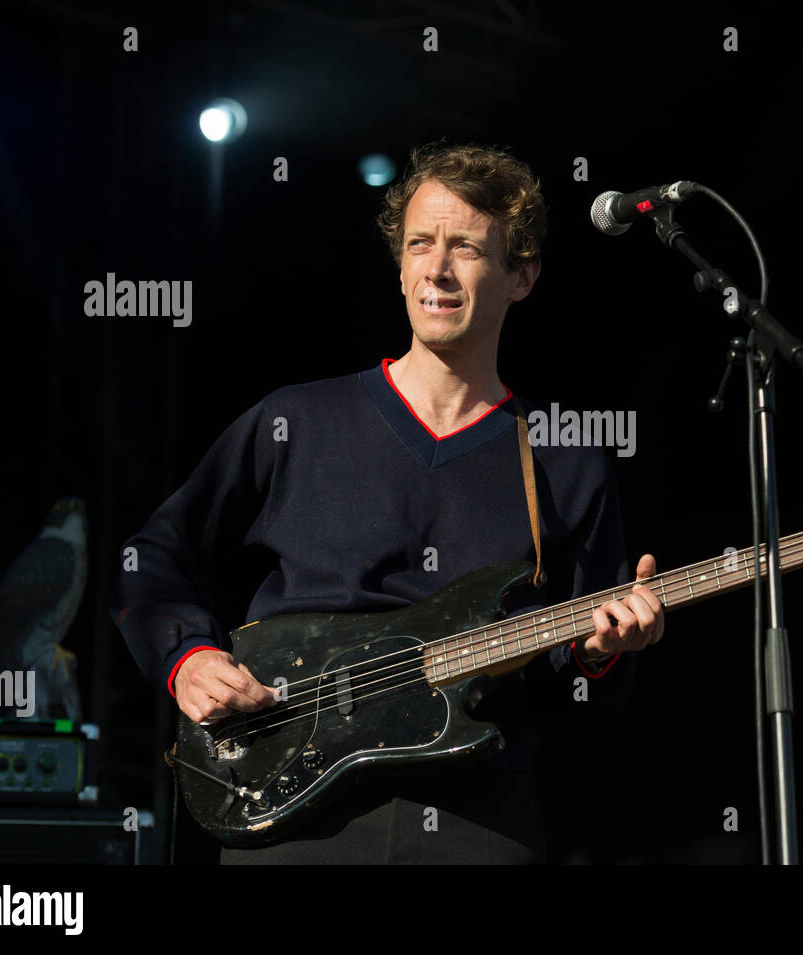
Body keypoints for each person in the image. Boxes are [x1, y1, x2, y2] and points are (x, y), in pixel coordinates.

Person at [110, 142, 665, 863]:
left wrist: (601, 656)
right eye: (420, 245)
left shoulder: (563, 459)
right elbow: (149, 555)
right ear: (400, 265)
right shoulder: (295, 423)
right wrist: (187, 658)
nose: (436, 269)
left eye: (465, 247)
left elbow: (577, 705)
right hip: (294, 811)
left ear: (522, 275)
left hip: (479, 816)